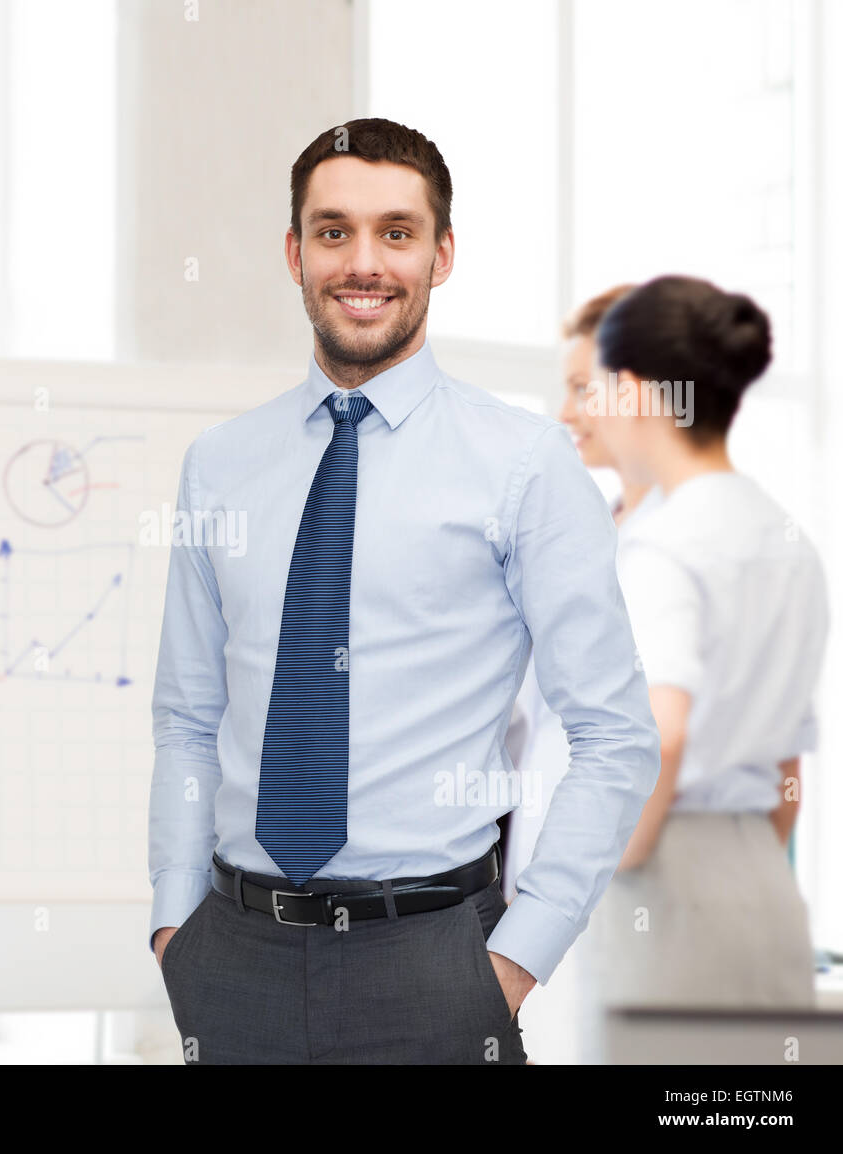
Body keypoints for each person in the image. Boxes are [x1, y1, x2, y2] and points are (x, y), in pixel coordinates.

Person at [147, 119, 661, 1064]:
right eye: (333, 231)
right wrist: (175, 923)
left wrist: (515, 957)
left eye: (397, 231)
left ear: (442, 253)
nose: (364, 263)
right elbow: (187, 713)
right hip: (231, 957)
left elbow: (614, 733)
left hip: (435, 960)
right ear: (295, 253)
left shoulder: (526, 465)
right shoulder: (218, 466)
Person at [579, 275, 826, 1043]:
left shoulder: (662, 544)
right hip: (765, 882)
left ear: (633, 391)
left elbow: (666, 730)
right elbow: (789, 770)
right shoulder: (789, 540)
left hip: (669, 889)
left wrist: (611, 862)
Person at [500, 284, 663, 1064]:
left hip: (632, 895)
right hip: (536, 888)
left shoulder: (676, 545)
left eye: (581, 389)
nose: (565, 414)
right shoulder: (583, 523)